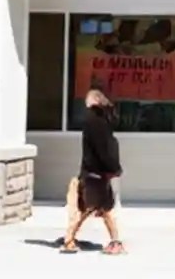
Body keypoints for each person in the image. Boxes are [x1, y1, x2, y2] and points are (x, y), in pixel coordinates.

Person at [61, 89, 124, 255]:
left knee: (88, 207)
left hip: (94, 172)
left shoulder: (94, 121)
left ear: (93, 102)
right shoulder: (104, 120)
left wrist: (108, 167)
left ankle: (69, 239)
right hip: (99, 173)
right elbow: (106, 148)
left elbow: (100, 149)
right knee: (102, 208)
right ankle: (114, 242)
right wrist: (113, 168)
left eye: (87, 102)